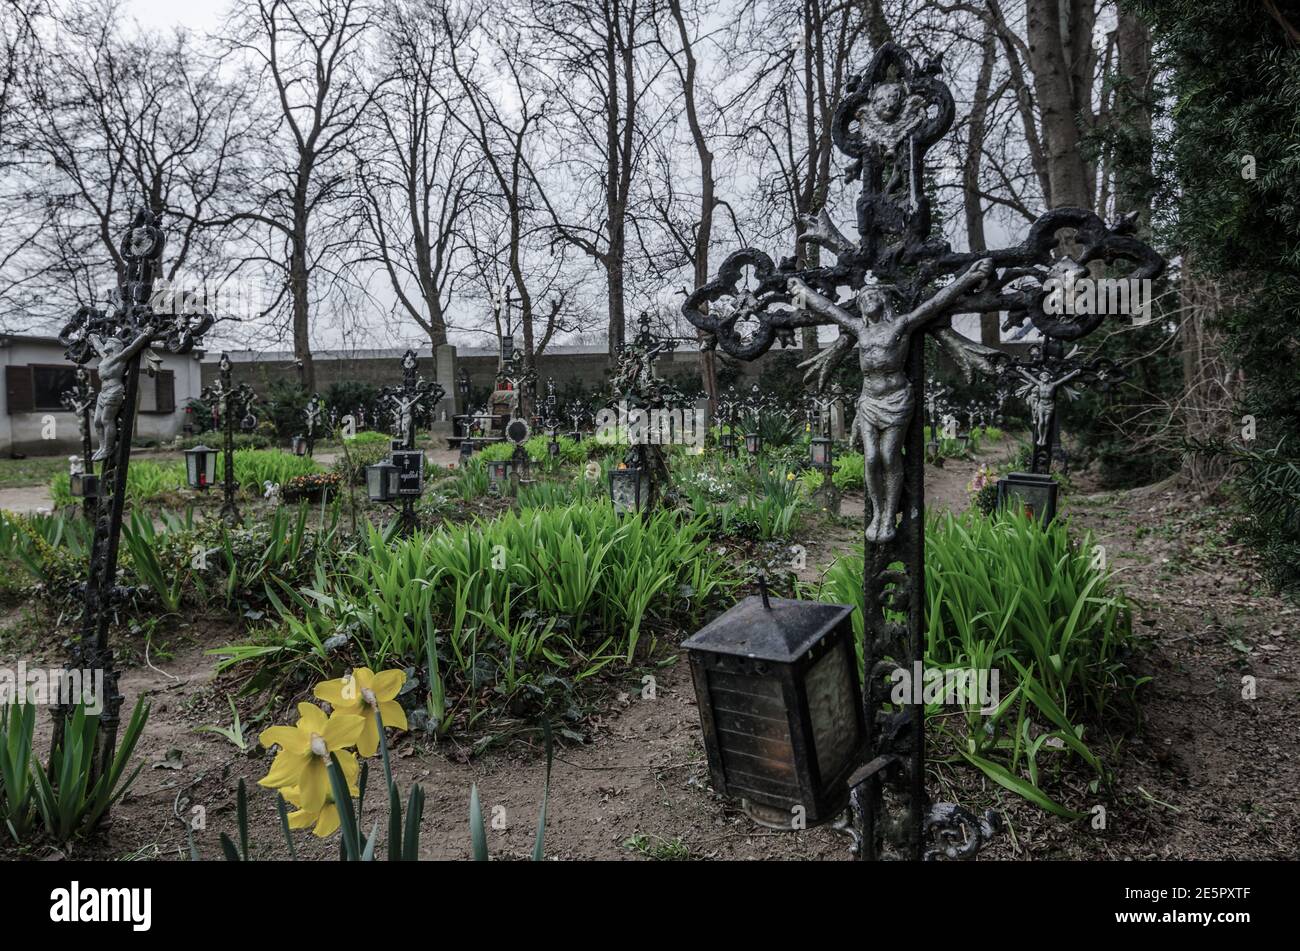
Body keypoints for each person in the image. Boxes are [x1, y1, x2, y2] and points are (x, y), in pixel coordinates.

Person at [790, 258, 994, 542]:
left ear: (883, 300)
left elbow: (934, 305)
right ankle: (878, 511)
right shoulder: (860, 329)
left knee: (888, 455)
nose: (867, 300)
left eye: (873, 295)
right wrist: (801, 289)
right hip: (870, 399)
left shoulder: (901, 324)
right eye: (862, 298)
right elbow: (829, 309)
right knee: (871, 458)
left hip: (897, 398)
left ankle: (889, 517)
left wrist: (969, 277)